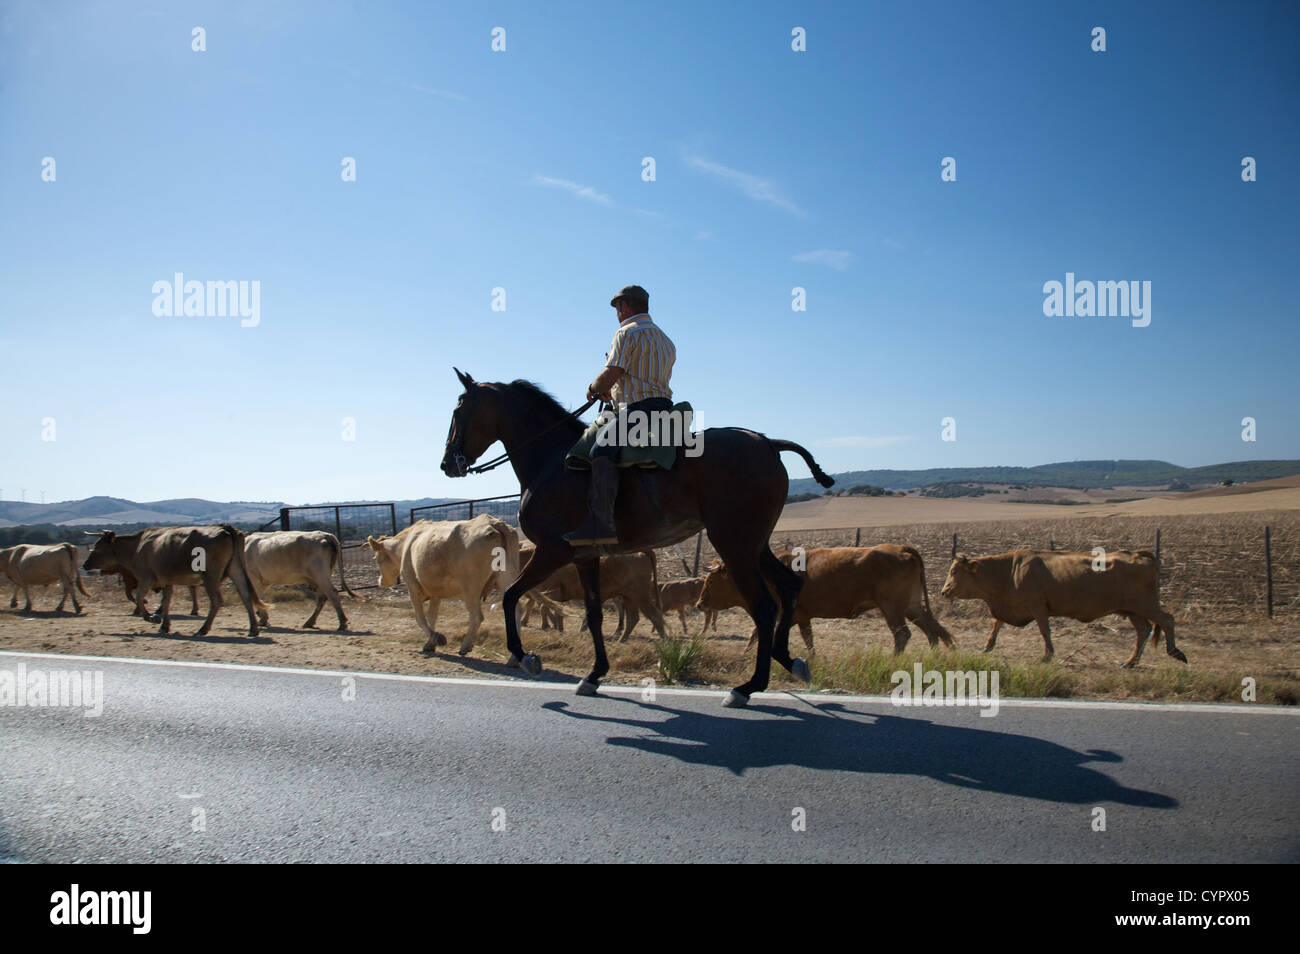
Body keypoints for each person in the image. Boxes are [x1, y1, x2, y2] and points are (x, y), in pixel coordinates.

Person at [564, 285, 676, 546]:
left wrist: (594, 389)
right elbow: (639, 377)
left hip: (636, 411)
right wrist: (612, 391)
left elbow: (612, 372)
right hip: (664, 407)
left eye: (617, 309)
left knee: (600, 453)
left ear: (625, 307)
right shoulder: (665, 339)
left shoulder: (626, 333)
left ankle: (600, 524)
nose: (617, 314)